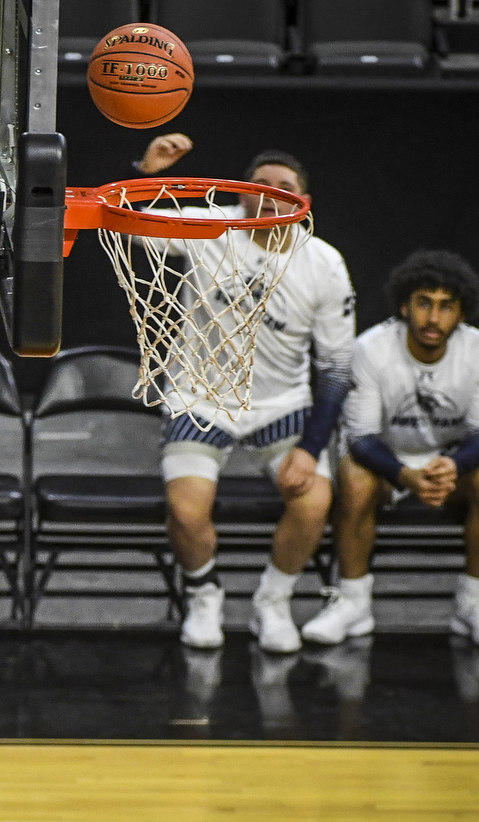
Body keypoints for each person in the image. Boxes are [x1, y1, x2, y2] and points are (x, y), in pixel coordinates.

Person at [138, 136, 357, 653]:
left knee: (314, 499)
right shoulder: (212, 229)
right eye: (260, 184)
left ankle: (273, 601)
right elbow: (137, 221)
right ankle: (204, 593)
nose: (272, 193)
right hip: (201, 397)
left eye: (286, 186)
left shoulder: (324, 263)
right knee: (187, 509)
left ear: (303, 200)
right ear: (241, 194)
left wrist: (310, 447)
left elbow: (335, 370)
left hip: (281, 406)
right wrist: (148, 170)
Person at [305, 251, 479, 646]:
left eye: (446, 307)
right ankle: (353, 601)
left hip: (451, 467)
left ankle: (474, 601)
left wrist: (452, 465)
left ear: (462, 314)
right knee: (353, 476)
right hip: (388, 465)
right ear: (404, 306)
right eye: (424, 304)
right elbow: (360, 437)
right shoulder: (371, 347)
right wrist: (404, 475)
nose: (434, 318)